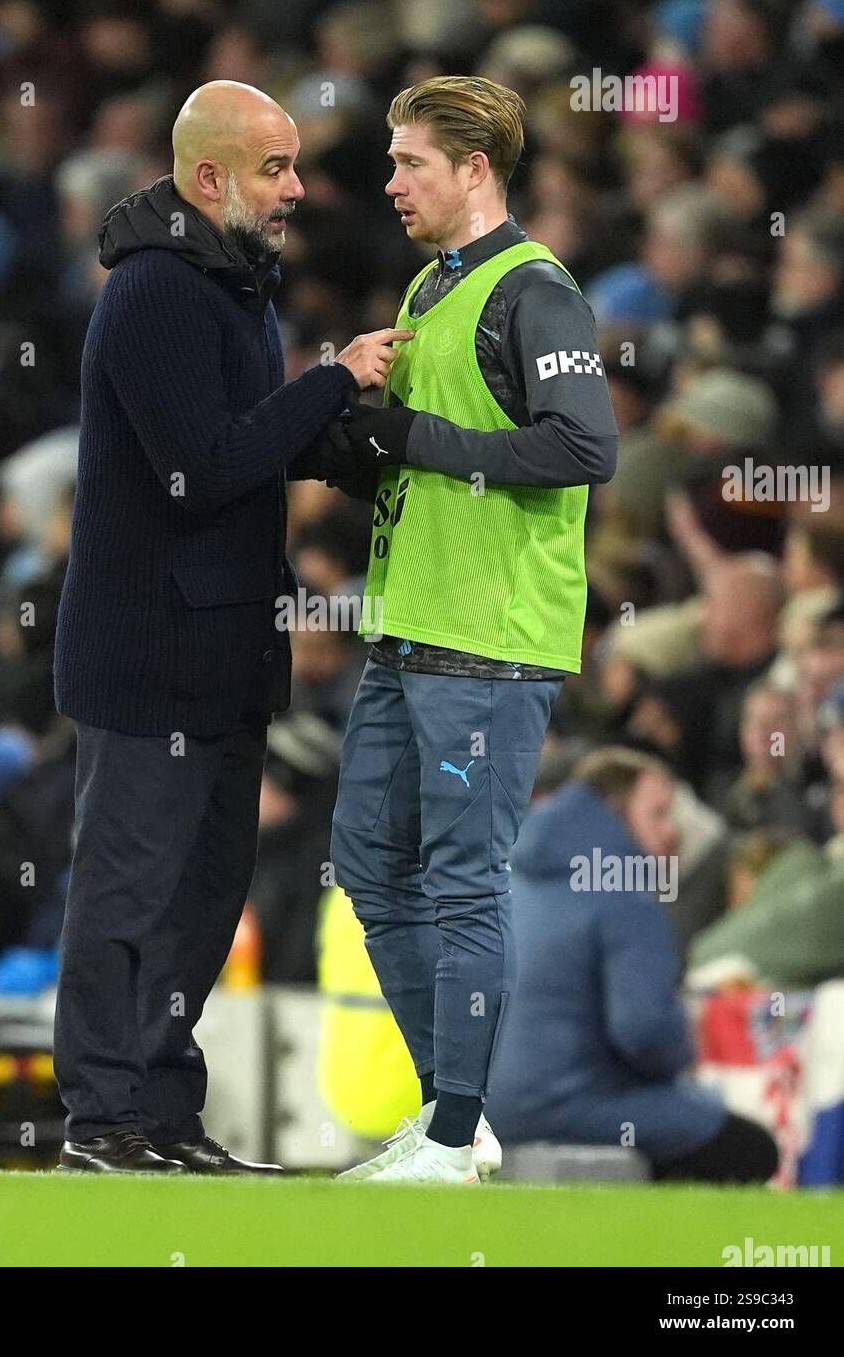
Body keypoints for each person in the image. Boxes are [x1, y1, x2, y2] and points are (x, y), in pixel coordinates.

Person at [52, 79, 403, 1175]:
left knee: (201, 902)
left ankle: (160, 1116)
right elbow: (198, 467)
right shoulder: (157, 290)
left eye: (294, 166)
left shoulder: (232, 282)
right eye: (274, 168)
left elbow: (249, 442)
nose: (295, 188)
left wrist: (369, 449)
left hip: (224, 652)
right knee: (129, 889)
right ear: (209, 177)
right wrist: (329, 383)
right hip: (150, 656)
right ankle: (102, 1120)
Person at [329, 75, 619, 1184]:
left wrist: (416, 437)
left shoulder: (534, 290)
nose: (390, 181)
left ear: (474, 170)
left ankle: (453, 1133)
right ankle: (452, 1111)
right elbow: (427, 451)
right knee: (365, 861)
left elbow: (582, 447)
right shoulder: (429, 285)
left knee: (462, 879)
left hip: (489, 637)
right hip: (410, 625)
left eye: (410, 163)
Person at [487, 748, 779, 1185]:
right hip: (575, 1107)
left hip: (491, 1111)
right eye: (658, 814)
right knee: (752, 1149)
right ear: (612, 810)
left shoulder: (513, 883)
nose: (671, 833)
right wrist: (685, 1056)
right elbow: (645, 1031)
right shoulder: (624, 897)